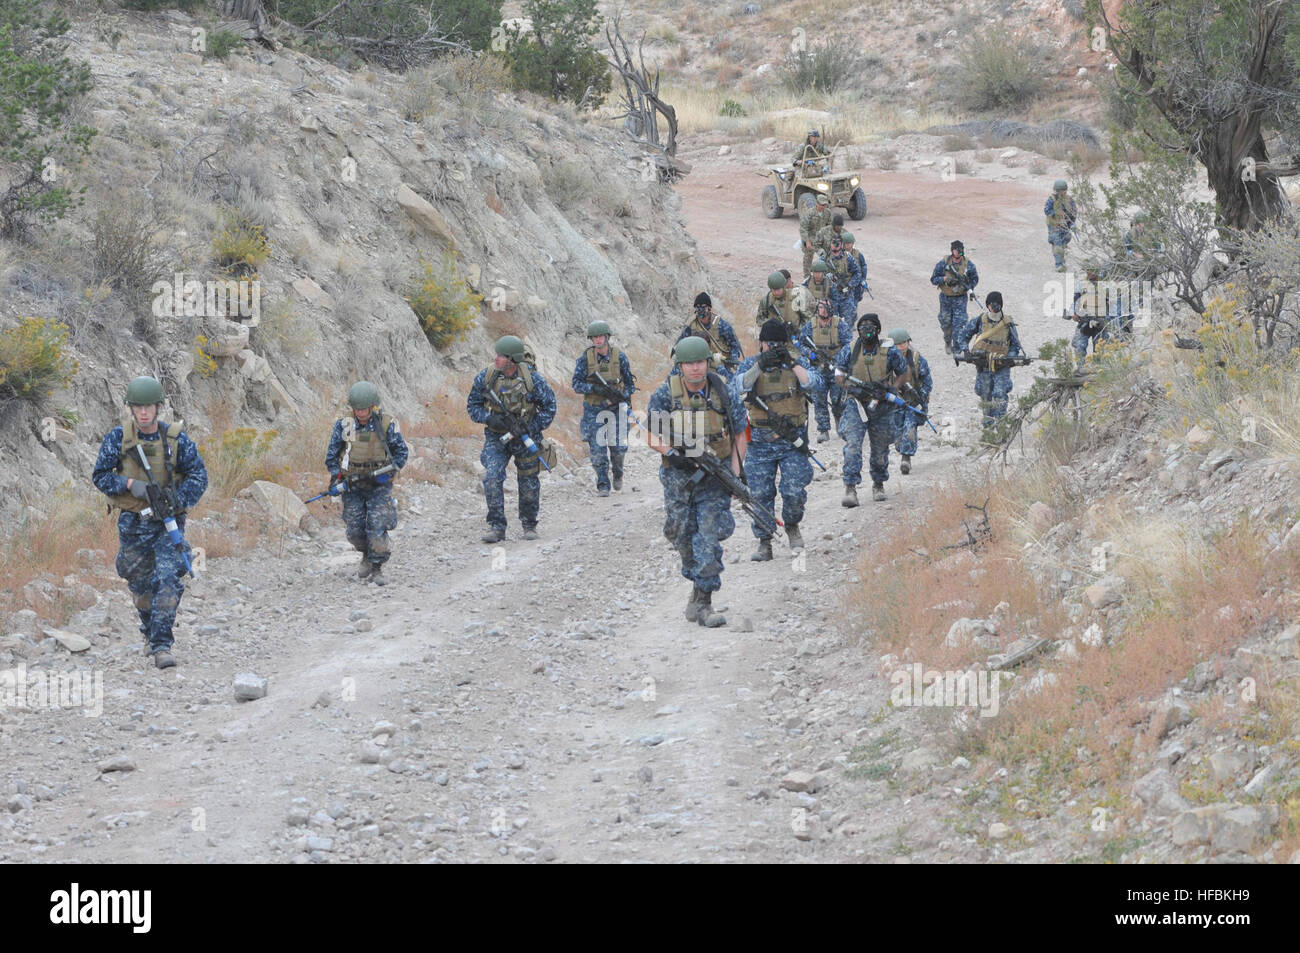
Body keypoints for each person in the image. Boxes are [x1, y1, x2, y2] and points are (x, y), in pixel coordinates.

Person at [92, 376, 208, 669]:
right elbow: (100, 476)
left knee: (168, 578)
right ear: (131, 409)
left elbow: (199, 476)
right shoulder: (118, 439)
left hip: (168, 524)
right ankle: (148, 630)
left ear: (158, 408)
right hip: (133, 523)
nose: (144, 412)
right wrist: (130, 484)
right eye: (139, 407)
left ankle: (161, 645)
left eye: (149, 406)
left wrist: (178, 500)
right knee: (139, 582)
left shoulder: (176, 440)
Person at [644, 337, 749, 627]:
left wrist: (736, 471)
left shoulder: (722, 393)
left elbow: (740, 433)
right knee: (679, 533)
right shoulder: (666, 394)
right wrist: (671, 453)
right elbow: (649, 433)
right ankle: (696, 581)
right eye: (689, 363)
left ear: (708, 363)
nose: (695, 368)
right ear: (680, 366)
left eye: (699, 362)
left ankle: (704, 601)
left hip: (714, 479)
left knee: (708, 534)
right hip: (679, 478)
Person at [734, 320, 819, 560]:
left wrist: (791, 362)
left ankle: (792, 525)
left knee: (793, 490)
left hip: (792, 442)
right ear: (761, 344)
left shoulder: (796, 362)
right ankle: (764, 540)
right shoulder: (751, 364)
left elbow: (813, 383)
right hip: (760, 442)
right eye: (769, 343)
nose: (772, 347)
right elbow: (738, 387)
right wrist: (760, 366)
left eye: (778, 344)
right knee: (760, 494)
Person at [467, 335, 557, 543]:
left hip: (526, 438)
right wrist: (491, 419)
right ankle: (497, 526)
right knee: (491, 477)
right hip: (497, 438)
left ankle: (529, 524)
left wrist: (530, 426)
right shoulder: (487, 377)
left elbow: (550, 408)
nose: (496, 358)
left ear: (513, 360)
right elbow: (472, 407)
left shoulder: (532, 379)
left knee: (528, 481)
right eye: (496, 354)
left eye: (501, 356)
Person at [324, 381, 409, 586]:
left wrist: (386, 474)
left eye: (364, 408)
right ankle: (365, 555)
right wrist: (338, 478)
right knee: (354, 530)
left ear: (373, 406)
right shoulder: (344, 426)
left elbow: (401, 454)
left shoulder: (387, 425)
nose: (361, 413)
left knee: (377, 526)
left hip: (379, 486)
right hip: (352, 486)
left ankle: (377, 566)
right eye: (357, 409)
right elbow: (331, 457)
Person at [834, 313, 907, 504]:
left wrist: (890, 389)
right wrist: (850, 387)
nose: (867, 330)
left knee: (881, 447)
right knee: (853, 445)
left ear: (878, 330)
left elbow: (902, 373)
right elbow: (838, 375)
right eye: (863, 326)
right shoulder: (849, 350)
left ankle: (878, 483)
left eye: (871, 326)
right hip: (856, 403)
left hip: (882, 405)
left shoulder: (889, 351)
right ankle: (850, 488)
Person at [572, 320, 635, 497]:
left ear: (607, 337)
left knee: (618, 449)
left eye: (601, 336)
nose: (598, 340)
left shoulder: (619, 357)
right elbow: (576, 384)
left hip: (616, 409)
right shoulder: (585, 359)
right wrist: (594, 388)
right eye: (595, 337)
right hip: (594, 409)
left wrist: (623, 398)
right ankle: (602, 484)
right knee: (597, 450)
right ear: (591, 339)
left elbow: (630, 384)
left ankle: (618, 472)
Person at [957, 291, 1024, 429]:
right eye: (992, 304)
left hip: (1001, 365)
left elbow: (1016, 345)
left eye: (998, 304)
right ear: (988, 305)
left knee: (999, 394)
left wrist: (1009, 357)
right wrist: (966, 351)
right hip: (984, 365)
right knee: (985, 394)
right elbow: (963, 336)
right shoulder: (980, 320)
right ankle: (988, 426)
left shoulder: (1007, 323)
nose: (995, 307)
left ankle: (1000, 426)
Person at [797, 297, 851, 442]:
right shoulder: (811, 325)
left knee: (838, 398)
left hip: (835, 367)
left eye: (826, 308)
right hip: (818, 368)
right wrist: (811, 354)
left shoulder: (840, 324)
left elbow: (848, 345)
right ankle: (823, 429)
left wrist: (838, 359)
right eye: (821, 308)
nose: (823, 311)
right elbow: (800, 344)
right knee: (819, 398)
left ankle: (841, 425)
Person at [887, 328, 931, 475]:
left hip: (913, 403)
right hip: (894, 403)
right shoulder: (884, 362)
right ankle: (902, 449)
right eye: (898, 344)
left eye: (904, 342)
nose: (902, 346)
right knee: (898, 433)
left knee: (910, 428)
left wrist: (921, 396)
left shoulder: (917, 360)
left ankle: (906, 459)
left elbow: (927, 381)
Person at [929, 239, 978, 355]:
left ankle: (957, 348)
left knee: (959, 324)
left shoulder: (968, 265)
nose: (959, 253)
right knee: (946, 323)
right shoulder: (944, 263)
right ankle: (947, 341)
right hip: (946, 298)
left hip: (960, 298)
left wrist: (968, 286)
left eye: (961, 250)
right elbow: (933, 279)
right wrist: (945, 279)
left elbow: (975, 278)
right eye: (957, 250)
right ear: (952, 251)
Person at [678, 292, 742, 375]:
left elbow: (735, 346)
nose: (700, 309)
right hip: (698, 367)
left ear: (709, 308)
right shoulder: (691, 327)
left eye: (703, 307)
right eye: (698, 307)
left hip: (721, 367)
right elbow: (681, 346)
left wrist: (733, 361)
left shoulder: (721, 325)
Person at [1068, 268, 1122, 363]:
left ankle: (1098, 371)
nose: (1089, 273)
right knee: (1079, 345)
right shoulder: (1081, 285)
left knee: (1100, 349)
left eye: (1092, 270)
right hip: (1085, 320)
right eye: (1088, 270)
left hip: (1101, 321)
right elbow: (1075, 300)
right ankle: (1081, 369)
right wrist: (1073, 313)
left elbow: (1114, 305)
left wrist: (1114, 323)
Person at [824, 234, 861, 324]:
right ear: (830, 244)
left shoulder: (848, 257)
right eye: (833, 242)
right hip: (831, 297)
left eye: (838, 243)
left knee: (848, 323)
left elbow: (857, 273)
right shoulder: (824, 259)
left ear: (841, 244)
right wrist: (827, 278)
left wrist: (850, 285)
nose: (835, 245)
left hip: (846, 295)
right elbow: (816, 276)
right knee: (831, 323)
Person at [1044, 179, 1076, 272]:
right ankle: (1059, 265)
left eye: (1063, 190)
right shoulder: (1052, 199)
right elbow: (1046, 210)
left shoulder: (1069, 200)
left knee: (1066, 239)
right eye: (1059, 191)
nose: (1061, 192)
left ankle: (1061, 256)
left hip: (1065, 226)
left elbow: (1074, 212)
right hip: (1054, 226)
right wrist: (1055, 213)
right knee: (1057, 244)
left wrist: (1072, 223)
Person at [756, 270, 799, 337]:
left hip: (794, 336)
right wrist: (772, 325)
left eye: (778, 290)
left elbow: (808, 318)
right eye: (773, 290)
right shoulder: (766, 300)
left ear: (783, 286)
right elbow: (759, 319)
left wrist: (799, 329)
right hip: (774, 337)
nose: (776, 292)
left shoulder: (795, 297)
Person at [799, 192, 832, 277]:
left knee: (826, 256)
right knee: (808, 258)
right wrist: (807, 241)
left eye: (825, 205)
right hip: (811, 239)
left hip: (822, 239)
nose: (823, 206)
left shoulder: (828, 213)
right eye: (821, 204)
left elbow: (829, 226)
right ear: (817, 203)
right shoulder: (810, 213)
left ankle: (825, 275)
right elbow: (803, 228)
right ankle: (807, 276)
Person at [843, 231, 869, 306]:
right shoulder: (839, 255)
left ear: (852, 244)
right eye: (844, 243)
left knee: (854, 303)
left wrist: (863, 278)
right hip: (845, 284)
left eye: (848, 243)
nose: (846, 246)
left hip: (856, 284)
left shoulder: (858, 254)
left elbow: (864, 266)